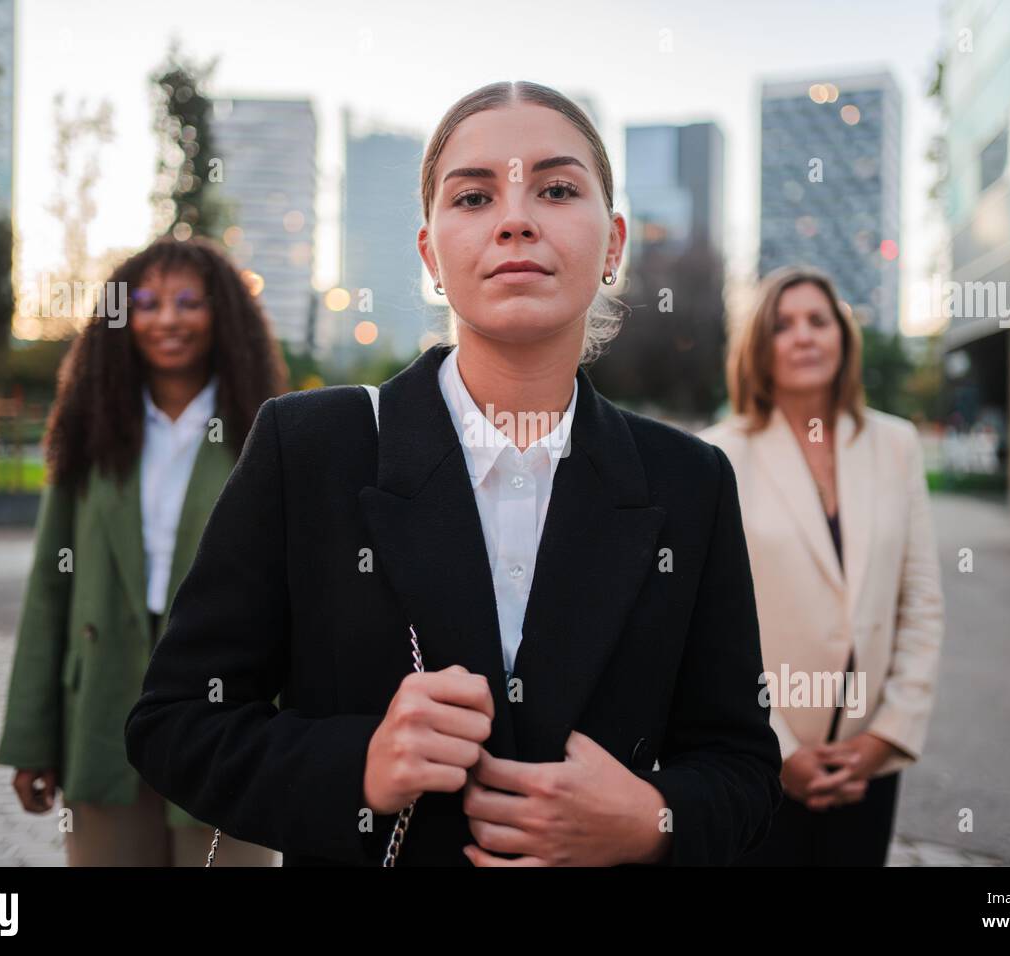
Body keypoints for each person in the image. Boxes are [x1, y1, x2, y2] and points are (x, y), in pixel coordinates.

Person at [124, 80, 782, 866]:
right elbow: (175, 723)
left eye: (557, 188)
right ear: (432, 253)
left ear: (612, 245)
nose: (515, 219)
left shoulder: (690, 481)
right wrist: (359, 766)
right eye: (472, 197)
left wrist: (650, 819)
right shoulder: (310, 446)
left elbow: (741, 765)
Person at [0, 236, 290, 865]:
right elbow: (51, 589)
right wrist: (32, 737)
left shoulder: (268, 431)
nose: (168, 320)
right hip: (104, 701)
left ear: (224, 316)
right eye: (148, 304)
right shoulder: (93, 429)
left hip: (228, 707)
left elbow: (303, 593)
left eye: (189, 301)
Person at [700, 265, 945, 866]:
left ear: (843, 335)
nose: (804, 336)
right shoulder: (716, 456)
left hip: (868, 764)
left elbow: (920, 601)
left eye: (819, 320)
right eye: (783, 325)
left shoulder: (895, 445)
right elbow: (711, 631)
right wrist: (781, 752)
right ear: (759, 346)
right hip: (759, 763)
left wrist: (887, 736)